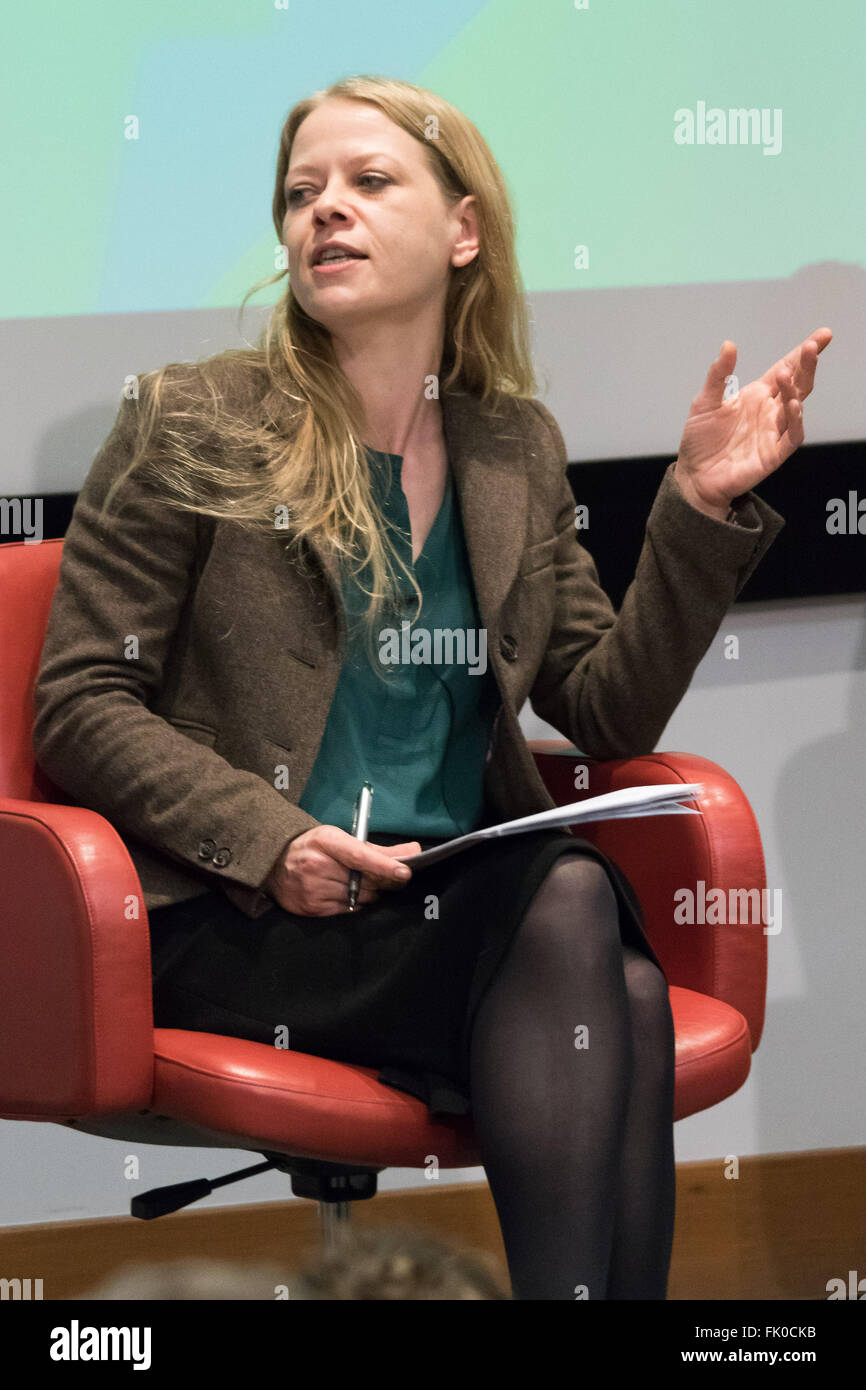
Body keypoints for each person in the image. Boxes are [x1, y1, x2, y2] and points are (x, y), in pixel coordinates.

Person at [33, 74, 831, 1301]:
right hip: (245, 915)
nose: (324, 214)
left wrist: (696, 511)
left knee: (607, 965)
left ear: (462, 230)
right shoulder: (193, 418)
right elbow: (82, 701)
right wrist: (273, 838)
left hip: (440, 904)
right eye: (301, 195)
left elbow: (604, 708)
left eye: (366, 182)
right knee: (576, 923)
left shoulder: (511, 447)